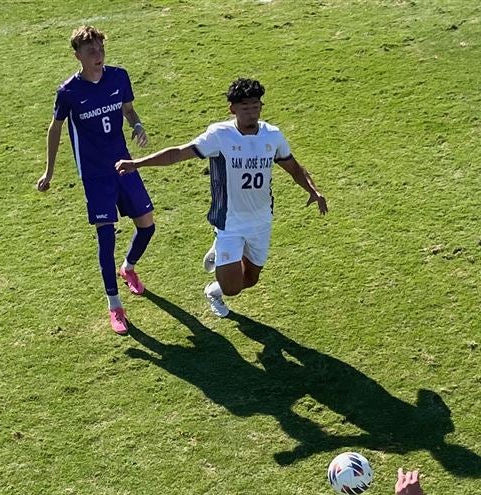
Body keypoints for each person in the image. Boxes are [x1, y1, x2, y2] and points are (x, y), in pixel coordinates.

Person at [115, 78, 327, 318]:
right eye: (245, 107)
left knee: (251, 279)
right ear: (232, 109)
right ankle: (215, 284)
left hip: (261, 221)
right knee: (232, 288)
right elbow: (177, 153)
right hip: (229, 224)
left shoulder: (272, 136)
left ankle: (219, 275)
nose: (251, 112)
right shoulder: (220, 136)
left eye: (256, 105)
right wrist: (138, 163)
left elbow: (294, 167)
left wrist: (313, 190)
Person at [36, 25, 155, 335]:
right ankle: (114, 305)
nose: (98, 55)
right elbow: (55, 129)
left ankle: (127, 268)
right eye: (91, 51)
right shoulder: (69, 92)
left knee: (148, 224)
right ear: (77, 55)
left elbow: (128, 110)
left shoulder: (119, 77)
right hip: (94, 175)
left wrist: (138, 125)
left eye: (101, 49)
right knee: (106, 238)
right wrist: (49, 172)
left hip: (124, 165)